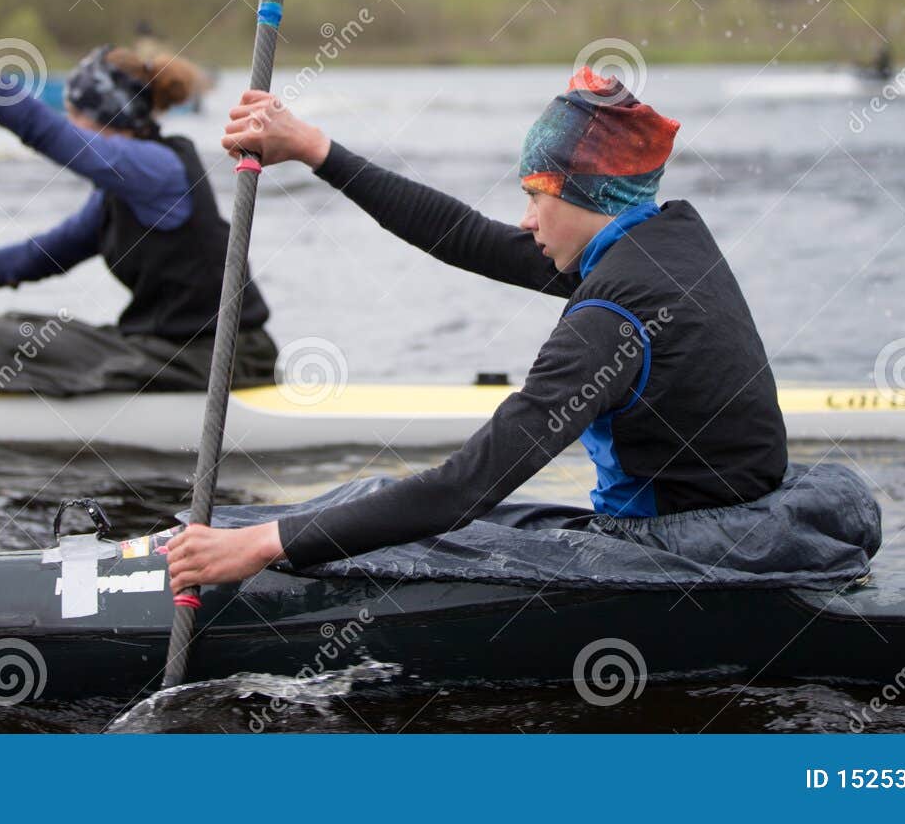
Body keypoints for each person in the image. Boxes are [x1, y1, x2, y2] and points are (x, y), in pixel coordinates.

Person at [165, 66, 818, 588]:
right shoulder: (664, 239)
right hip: (737, 527)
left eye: (535, 196)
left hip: (682, 562)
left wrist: (259, 547)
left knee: (408, 516)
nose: (527, 219)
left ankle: (237, 542)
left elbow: (465, 486)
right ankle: (211, 537)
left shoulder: (609, 317)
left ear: (584, 196)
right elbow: (465, 238)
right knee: (373, 501)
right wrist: (315, 149)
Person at [0, 9, 276, 396]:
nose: (70, 126)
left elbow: (38, 127)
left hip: (227, 360)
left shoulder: (159, 170)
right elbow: (31, 259)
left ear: (114, 117)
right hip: (172, 352)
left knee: (10, 336)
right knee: (20, 328)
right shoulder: (119, 194)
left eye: (76, 115)